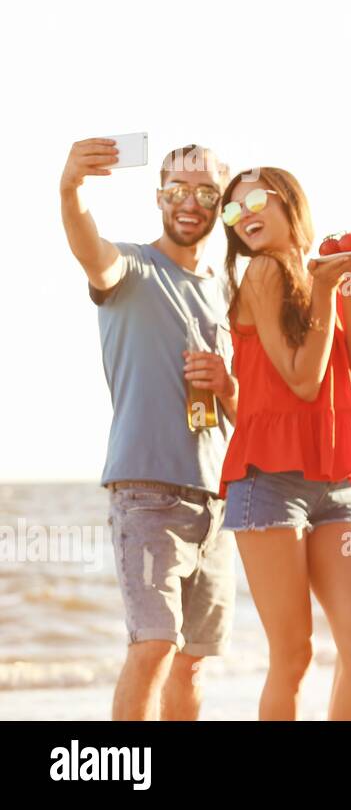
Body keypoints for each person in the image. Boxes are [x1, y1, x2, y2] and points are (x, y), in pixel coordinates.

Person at [60, 139, 238, 720]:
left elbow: (246, 409)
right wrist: (71, 189)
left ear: (221, 203)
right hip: (147, 493)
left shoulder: (226, 291)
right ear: (158, 196)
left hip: (218, 500)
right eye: (178, 190)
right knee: (154, 645)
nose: (190, 202)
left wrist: (227, 383)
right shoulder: (130, 267)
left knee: (192, 661)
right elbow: (91, 249)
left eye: (205, 192)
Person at [218, 167, 351, 720]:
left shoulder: (314, 275)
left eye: (254, 201)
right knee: (293, 655)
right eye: (232, 210)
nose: (242, 214)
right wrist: (323, 288)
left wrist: (350, 284)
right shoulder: (263, 273)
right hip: (267, 483)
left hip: (331, 484)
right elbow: (303, 379)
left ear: (290, 203)